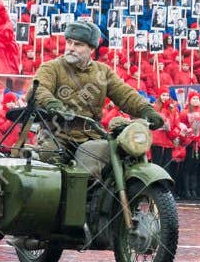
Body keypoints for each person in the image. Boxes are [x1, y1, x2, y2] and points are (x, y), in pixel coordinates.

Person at [30, 19, 164, 182]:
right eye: (69, 42)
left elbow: (125, 94)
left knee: (117, 164)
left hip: (92, 135)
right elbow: (38, 89)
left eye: (78, 44)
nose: (71, 47)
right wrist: (51, 103)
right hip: (57, 133)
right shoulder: (51, 67)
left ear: (92, 49)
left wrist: (146, 110)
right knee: (49, 170)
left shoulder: (103, 71)